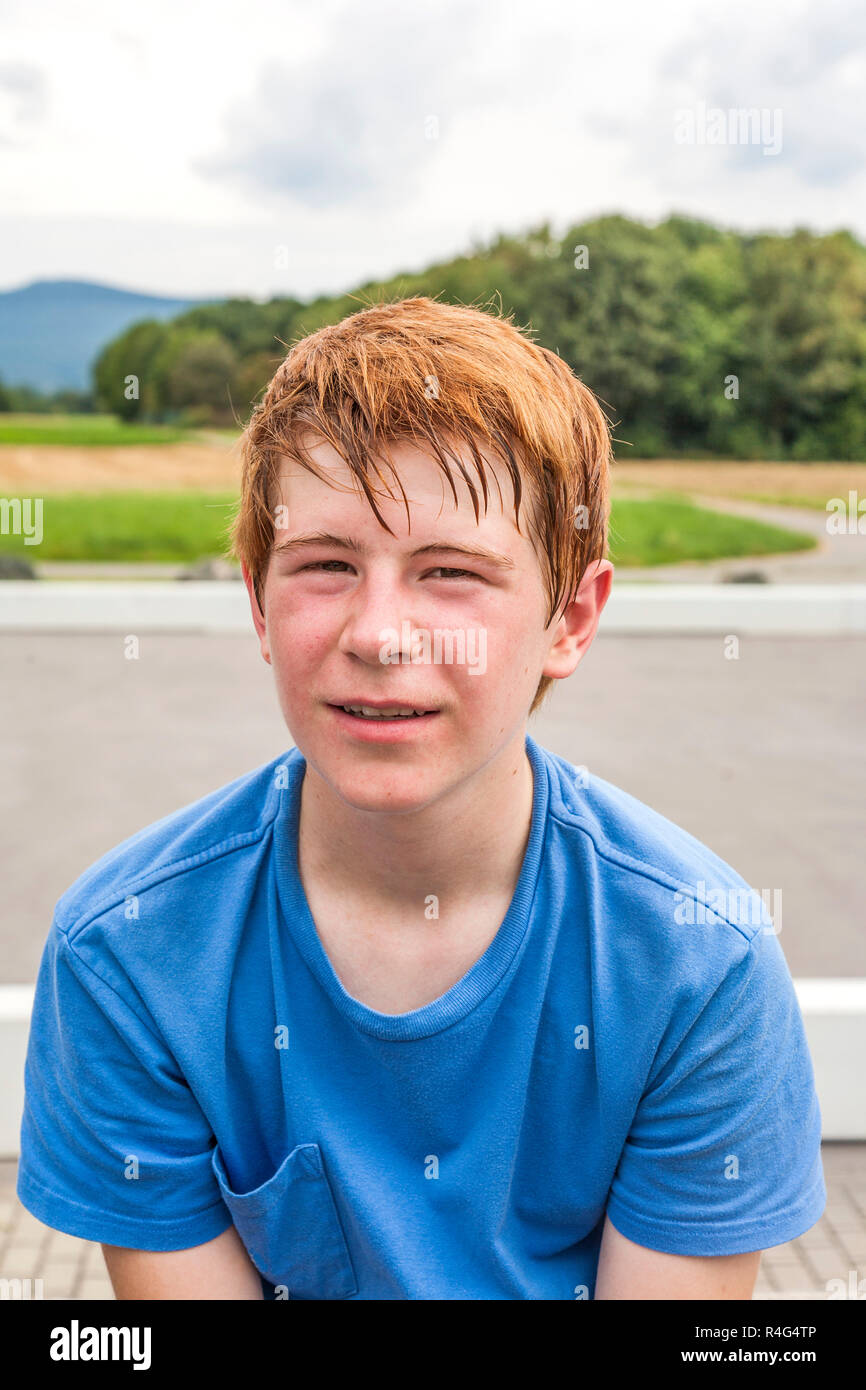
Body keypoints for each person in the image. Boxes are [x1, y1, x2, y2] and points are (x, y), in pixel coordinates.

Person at [17, 296, 825, 1300]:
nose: (379, 632)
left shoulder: (698, 964)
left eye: (449, 572)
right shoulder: (127, 952)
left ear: (568, 618)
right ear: (257, 602)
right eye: (324, 565)